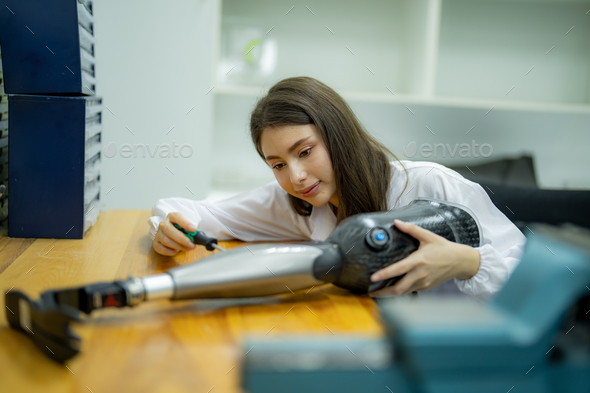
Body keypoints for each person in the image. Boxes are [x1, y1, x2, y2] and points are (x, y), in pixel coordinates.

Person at [148, 76, 527, 302]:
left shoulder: (429, 184)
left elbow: (536, 279)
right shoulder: (302, 205)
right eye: (277, 164)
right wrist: (170, 225)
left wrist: (466, 262)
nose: (295, 176)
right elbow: (192, 211)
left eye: (305, 151)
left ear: (338, 135)